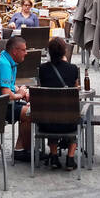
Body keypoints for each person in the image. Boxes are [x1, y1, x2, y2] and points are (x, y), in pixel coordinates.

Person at [33, 36, 81, 170]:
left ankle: (54, 156)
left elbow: (42, 89)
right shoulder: (72, 69)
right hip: (69, 123)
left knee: (52, 111)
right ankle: (70, 158)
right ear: (64, 51)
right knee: (73, 115)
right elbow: (76, 92)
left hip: (46, 123)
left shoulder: (42, 69)